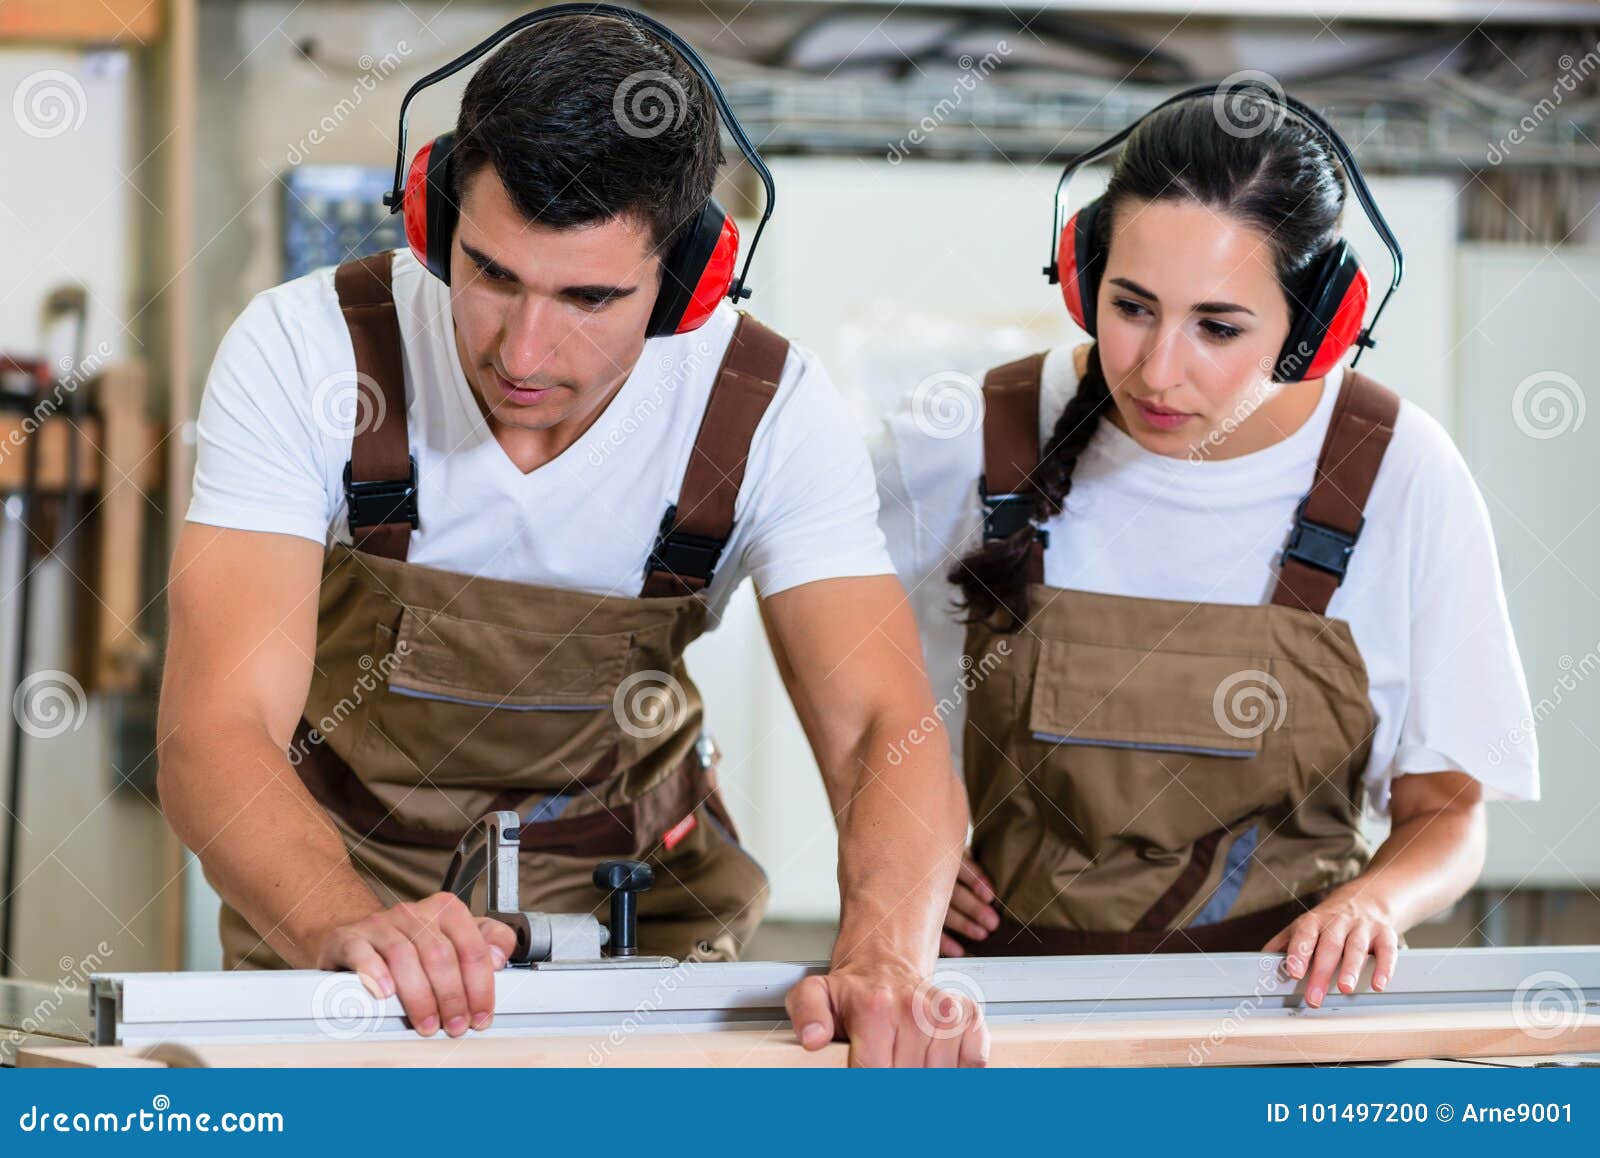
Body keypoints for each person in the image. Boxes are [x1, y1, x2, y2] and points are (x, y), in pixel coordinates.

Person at [158, 6, 983, 1066]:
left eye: (588, 297)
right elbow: (215, 729)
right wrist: (343, 921)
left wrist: (885, 954)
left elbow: (881, 727)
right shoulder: (308, 351)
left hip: (643, 929)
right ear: (434, 217)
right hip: (346, 919)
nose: (523, 352)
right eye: (492, 274)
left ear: (687, 280)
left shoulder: (765, 409)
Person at [872, 85, 1538, 1009]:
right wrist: (889, 862)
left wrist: (1374, 904)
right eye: (1131, 307)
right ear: (1083, 274)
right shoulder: (966, 440)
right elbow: (847, 686)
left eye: (1218, 327)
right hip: (1006, 1019)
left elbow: (1447, 813)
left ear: (1316, 326)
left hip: (1282, 1029)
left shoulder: (1398, 471)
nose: (1157, 370)